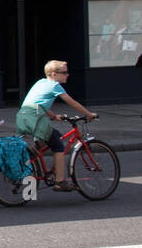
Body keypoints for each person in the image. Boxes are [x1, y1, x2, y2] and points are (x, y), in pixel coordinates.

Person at [18, 60, 97, 192]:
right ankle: (60, 182)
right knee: (59, 146)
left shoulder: (40, 82)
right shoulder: (54, 85)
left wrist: (54, 117)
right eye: (64, 72)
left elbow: (38, 103)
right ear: (54, 74)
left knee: (55, 138)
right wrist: (88, 114)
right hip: (36, 119)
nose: (68, 75)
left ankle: (33, 164)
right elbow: (72, 103)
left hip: (23, 117)